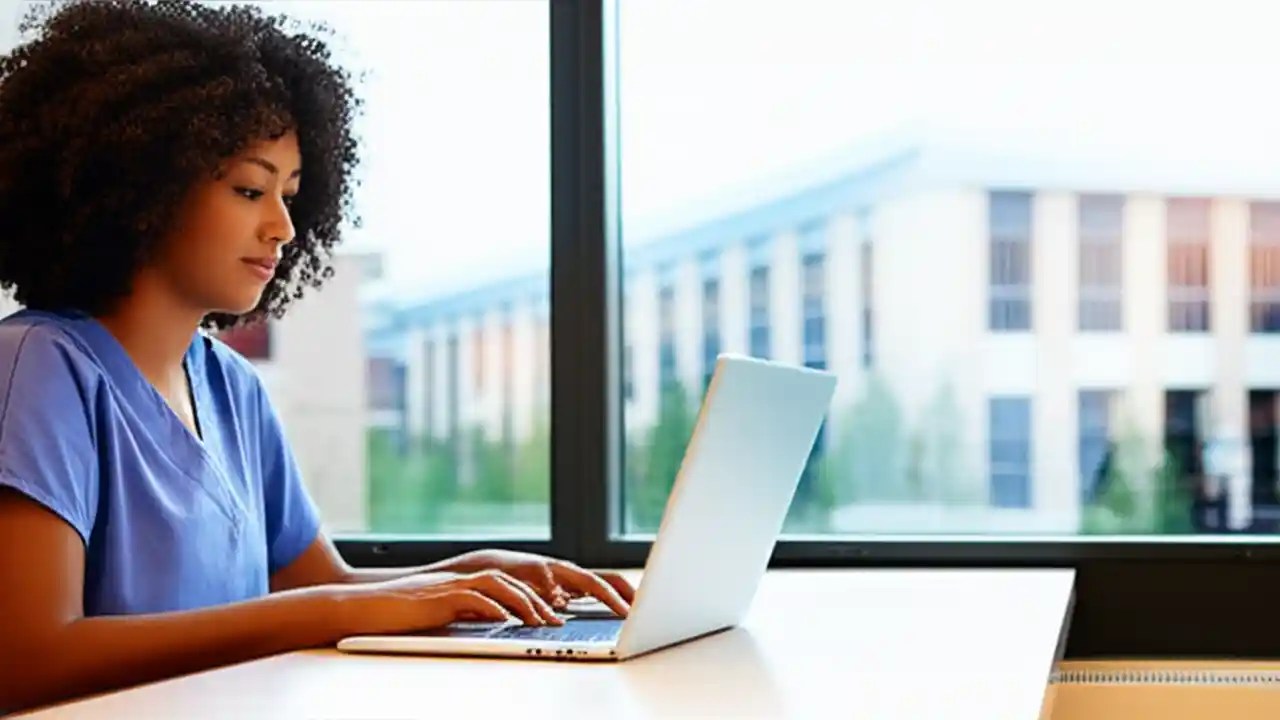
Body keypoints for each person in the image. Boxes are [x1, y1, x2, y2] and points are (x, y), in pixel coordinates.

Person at [0, 0, 634, 713]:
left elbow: (314, 584)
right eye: (250, 189)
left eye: (291, 194)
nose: (282, 226)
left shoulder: (231, 387)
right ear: (139, 185)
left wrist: (466, 575)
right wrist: (339, 608)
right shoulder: (40, 369)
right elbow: (28, 658)